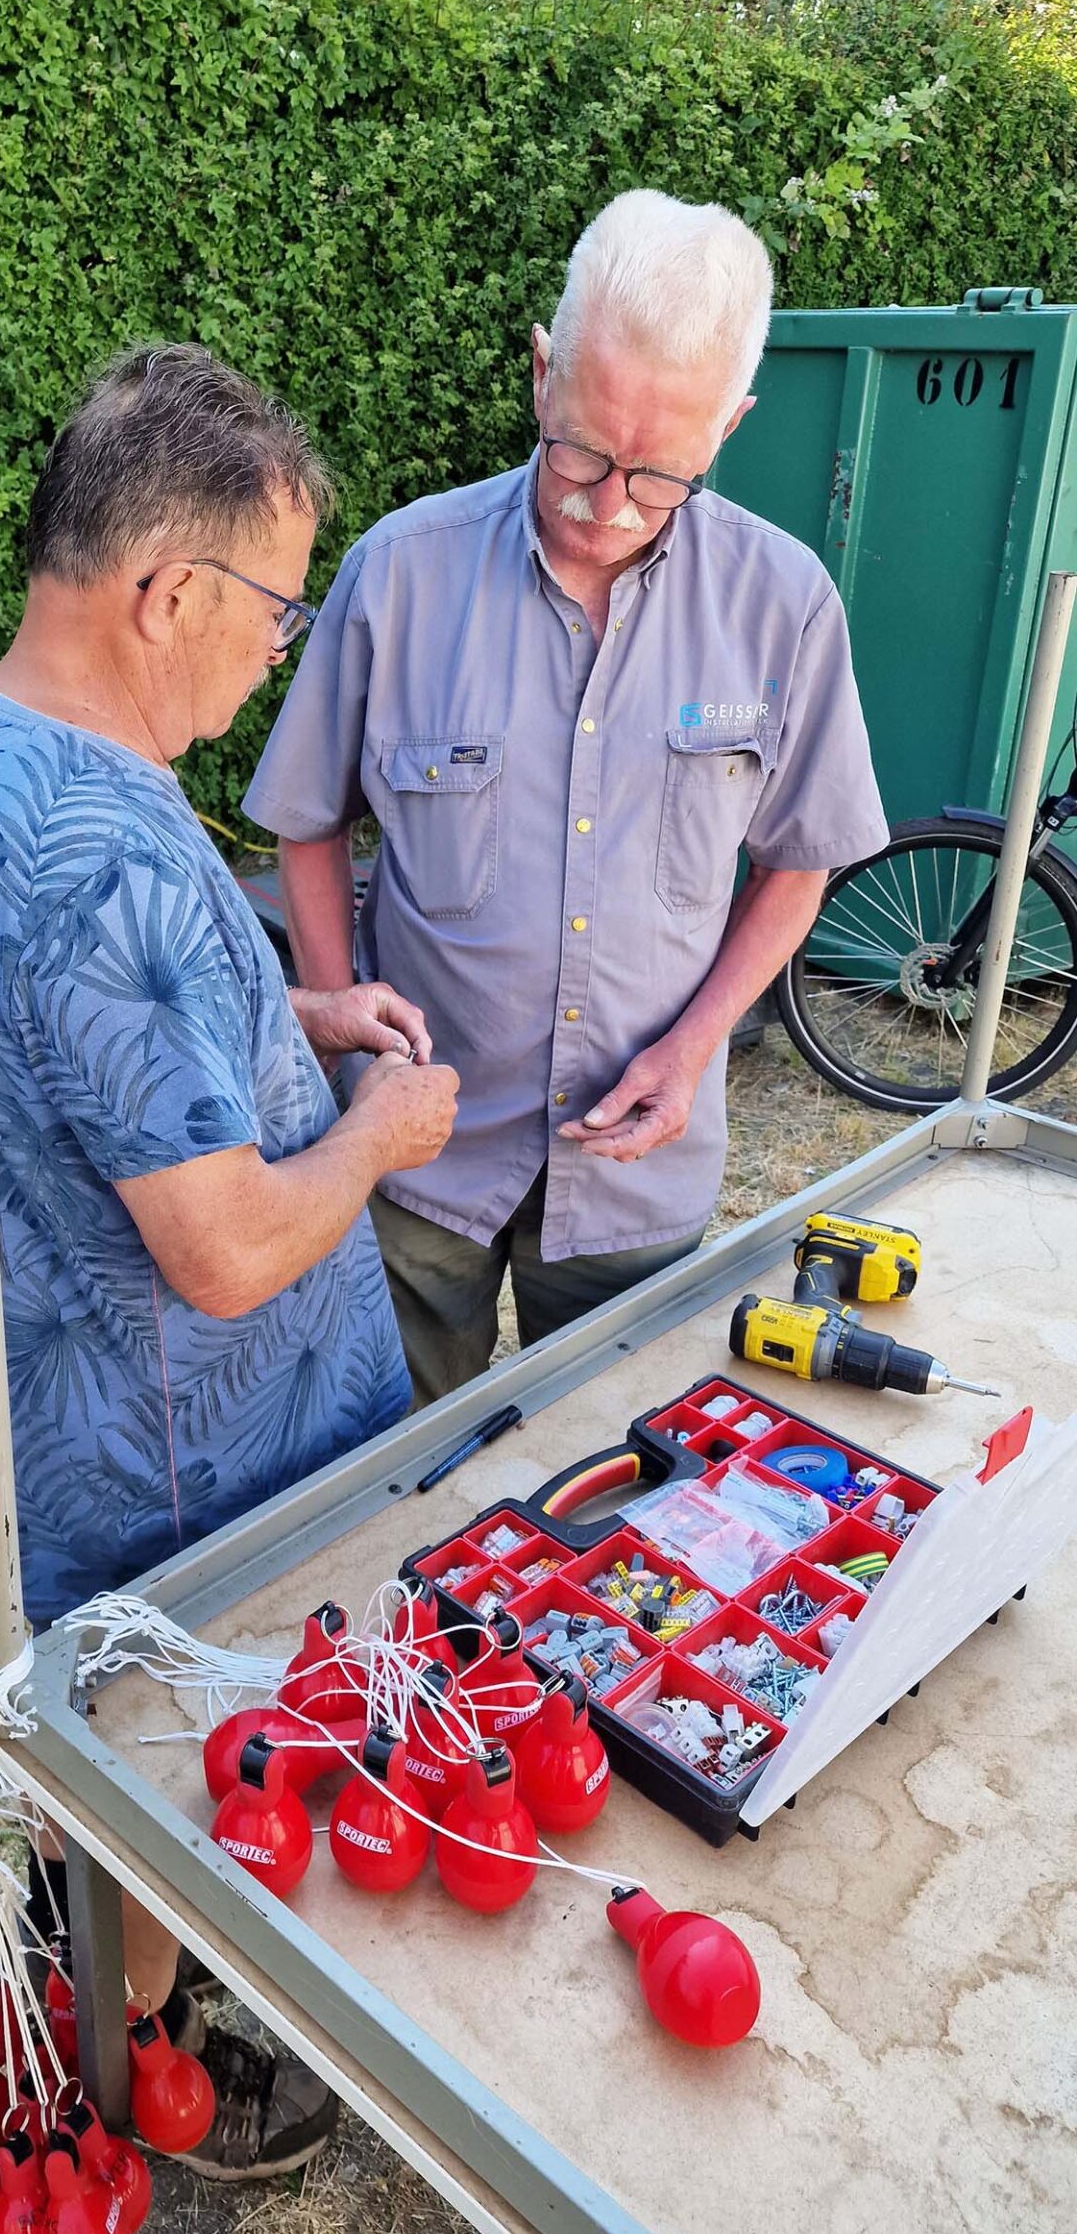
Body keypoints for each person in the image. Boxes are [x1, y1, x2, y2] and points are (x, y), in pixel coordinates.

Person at [0, 343, 457, 2179]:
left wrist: (284, 1005)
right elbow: (219, 1254)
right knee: (172, 1778)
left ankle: (97, 1991)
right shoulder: (104, 854)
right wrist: (374, 1131)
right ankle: (120, 2065)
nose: (272, 651)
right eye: (275, 614)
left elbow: (74, 1043)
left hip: (56, 1403)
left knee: (114, 1774)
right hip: (181, 1457)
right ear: (164, 594)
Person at [244, 189, 889, 1403]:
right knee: (391, 1479)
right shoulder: (399, 571)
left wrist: (695, 1049)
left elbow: (798, 861)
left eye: (659, 477)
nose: (605, 504)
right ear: (542, 375)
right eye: (583, 452)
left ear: (730, 427)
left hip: (639, 1174)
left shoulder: (784, 603)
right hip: (412, 1156)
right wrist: (339, 1027)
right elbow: (306, 819)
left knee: (608, 1493)